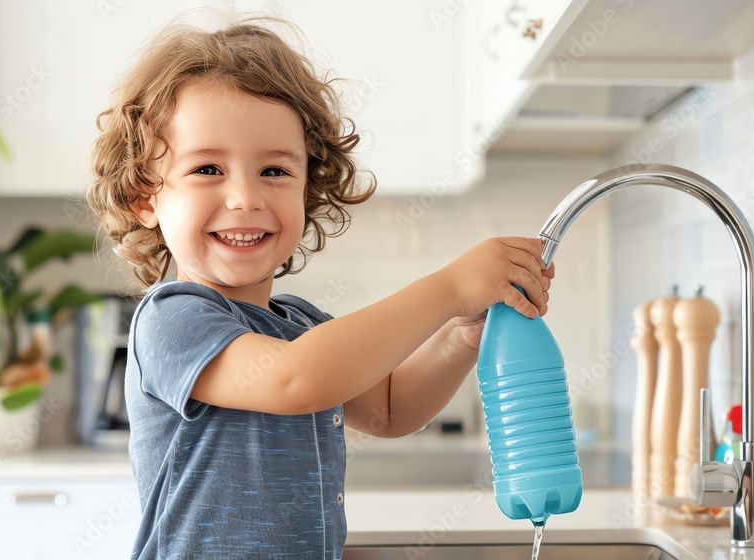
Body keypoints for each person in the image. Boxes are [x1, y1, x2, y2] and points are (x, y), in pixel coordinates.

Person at [85, 16, 555, 560]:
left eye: (276, 172)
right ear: (146, 199)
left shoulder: (301, 326)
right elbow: (295, 379)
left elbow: (388, 411)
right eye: (208, 168)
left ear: (309, 189)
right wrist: (449, 286)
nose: (245, 197)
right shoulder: (171, 319)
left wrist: (460, 337)